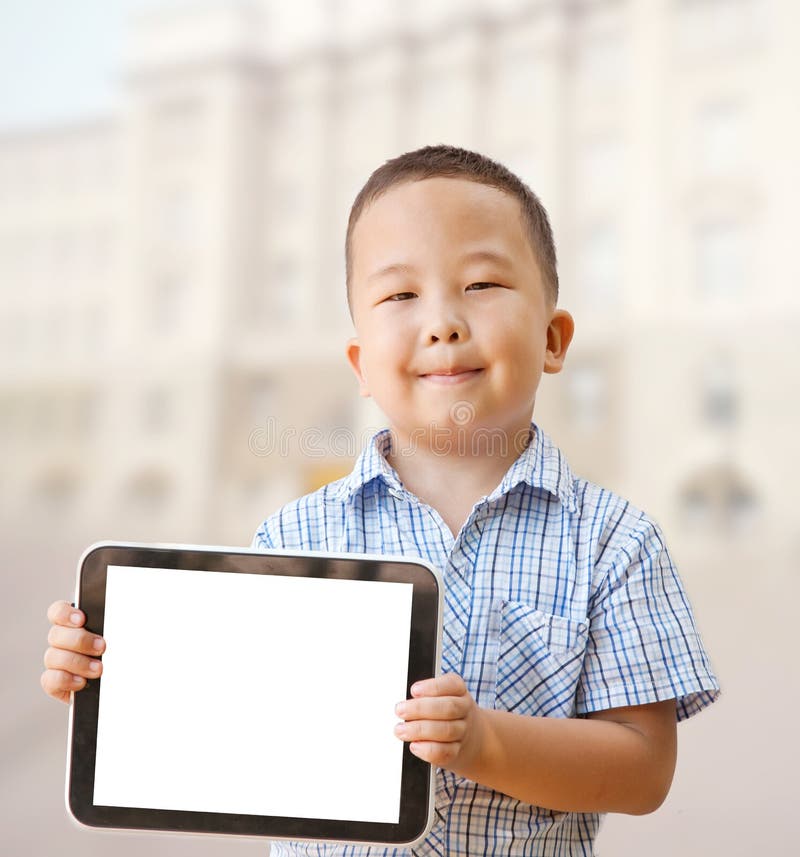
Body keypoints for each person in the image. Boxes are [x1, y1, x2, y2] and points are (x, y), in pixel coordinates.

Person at [42, 145, 720, 856]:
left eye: (482, 283)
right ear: (361, 364)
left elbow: (644, 769)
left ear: (553, 340)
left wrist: (485, 741)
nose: (443, 322)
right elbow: (231, 715)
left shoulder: (614, 541)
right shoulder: (295, 534)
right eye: (400, 296)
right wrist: (113, 676)